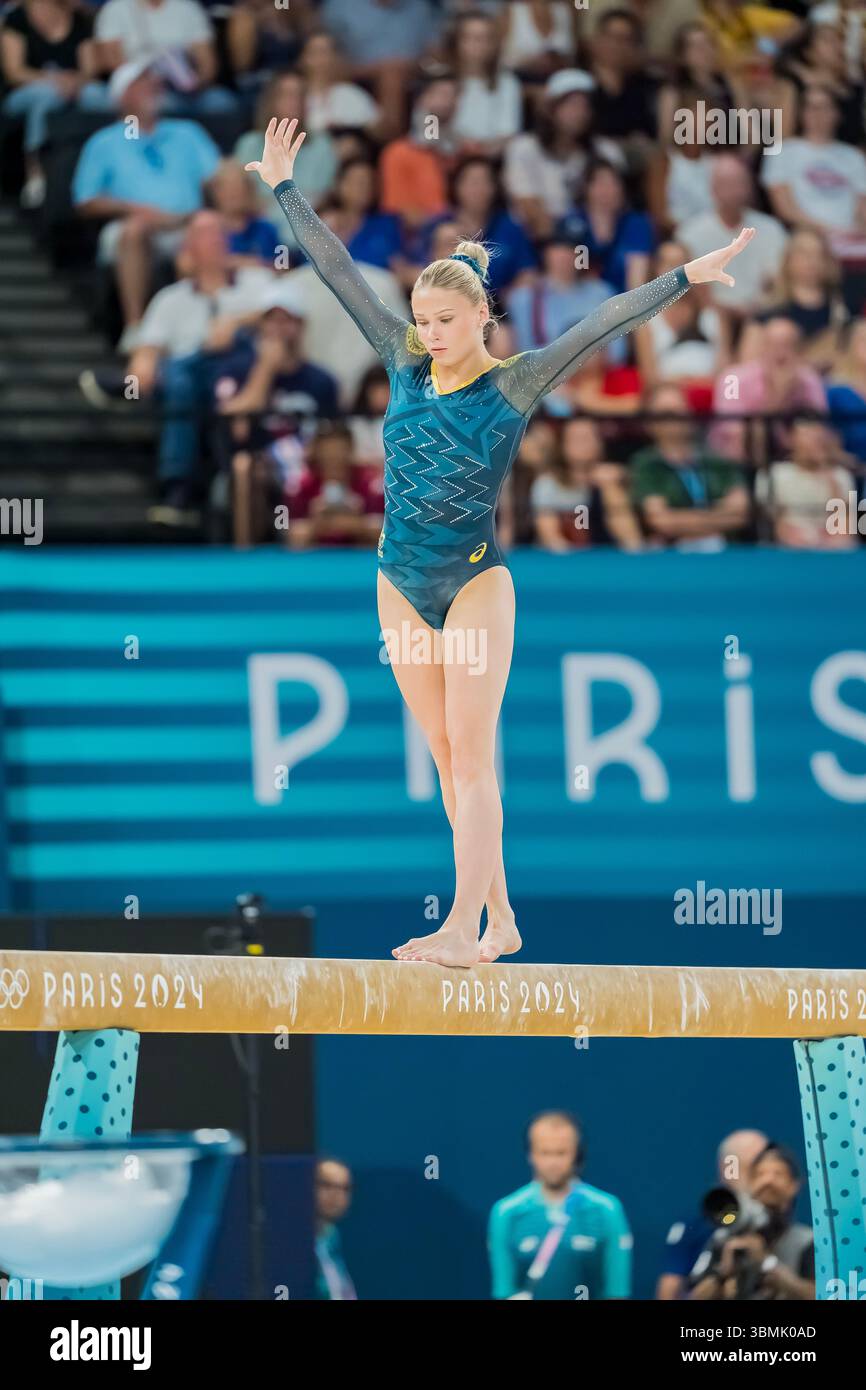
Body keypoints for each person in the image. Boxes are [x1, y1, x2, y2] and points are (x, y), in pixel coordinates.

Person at [246, 115, 757, 966]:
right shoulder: (401, 357)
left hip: (477, 581)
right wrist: (283, 187)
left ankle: (460, 925)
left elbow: (598, 325)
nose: (429, 333)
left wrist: (685, 277)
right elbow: (337, 271)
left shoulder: (514, 383)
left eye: (446, 320)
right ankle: (504, 917)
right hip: (396, 580)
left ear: (482, 316)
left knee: (475, 758)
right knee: (446, 761)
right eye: (421, 318)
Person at [72, 59, 221, 348]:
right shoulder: (104, 142)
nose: (152, 87)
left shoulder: (187, 132)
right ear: (121, 95)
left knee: (208, 229)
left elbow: (218, 177)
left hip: (186, 223)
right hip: (133, 226)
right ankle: (136, 329)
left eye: (154, 81)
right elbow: (85, 200)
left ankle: (205, 328)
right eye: (141, 82)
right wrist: (135, 210)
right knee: (132, 232)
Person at [488, 1111, 632, 1300]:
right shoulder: (506, 1213)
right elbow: (504, 1291)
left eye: (561, 1153)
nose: (553, 1162)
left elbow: (617, 1292)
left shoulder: (607, 1210)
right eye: (545, 1153)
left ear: (578, 1155)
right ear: (530, 1154)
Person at [688, 1141, 816, 1300]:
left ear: (794, 1186)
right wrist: (722, 1272)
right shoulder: (723, 1239)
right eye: (759, 1174)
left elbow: (820, 1295)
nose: (768, 1181)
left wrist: (766, 1262)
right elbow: (694, 1296)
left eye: (778, 1174)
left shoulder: (806, 1241)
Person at [631, 381, 751, 546]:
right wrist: (718, 516)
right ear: (650, 423)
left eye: (680, 411)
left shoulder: (717, 458)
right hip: (673, 554)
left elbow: (740, 513)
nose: (675, 420)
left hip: (726, 553)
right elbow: (661, 521)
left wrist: (683, 520)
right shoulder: (646, 464)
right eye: (667, 414)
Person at [0, 0, 96, 207]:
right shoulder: (17, 17)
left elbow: (90, 70)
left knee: (106, 97)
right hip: (26, 92)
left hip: (73, 87)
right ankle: (36, 174)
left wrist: (75, 81)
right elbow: (14, 72)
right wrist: (53, 79)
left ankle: (129, 142)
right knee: (46, 97)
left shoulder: (79, 18)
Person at [657, 1128, 767, 1300]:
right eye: (751, 1168)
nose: (764, 1179)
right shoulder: (698, 1223)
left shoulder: (779, 1225)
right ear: (725, 1168)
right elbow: (668, 1291)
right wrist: (720, 1275)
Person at [314, 1157, 357, 1300]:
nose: (336, 1195)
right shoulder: (291, 1243)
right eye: (326, 1185)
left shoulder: (332, 1237)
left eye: (344, 1188)